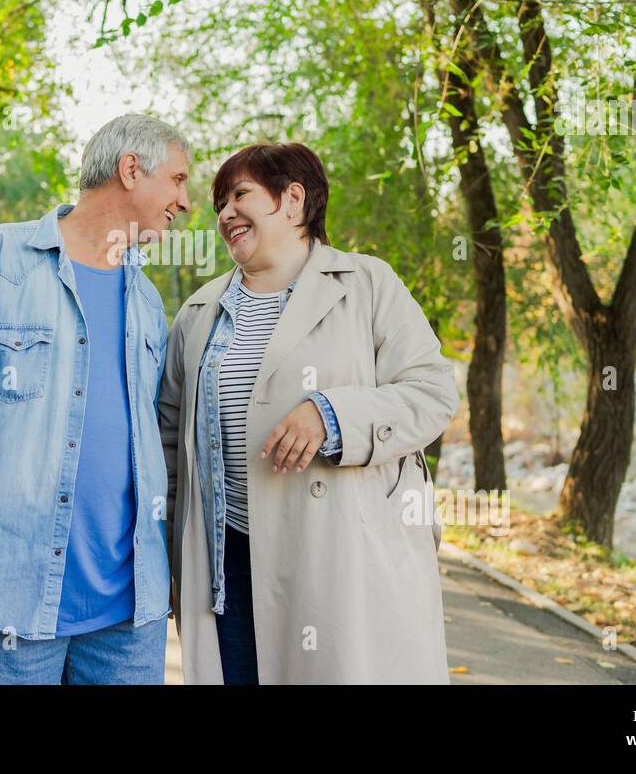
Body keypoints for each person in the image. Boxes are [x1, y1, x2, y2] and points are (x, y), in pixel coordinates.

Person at [0, 113, 190, 684]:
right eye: (177, 179)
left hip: (129, 610)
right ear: (129, 169)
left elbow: (156, 439)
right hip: (11, 598)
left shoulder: (145, 298)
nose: (185, 200)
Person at [159, 141, 459, 684]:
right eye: (219, 204)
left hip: (337, 559)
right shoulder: (199, 312)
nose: (225, 214)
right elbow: (169, 445)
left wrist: (333, 413)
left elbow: (433, 392)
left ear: (293, 200)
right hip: (226, 569)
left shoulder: (367, 285)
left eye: (240, 195)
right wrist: (169, 561)